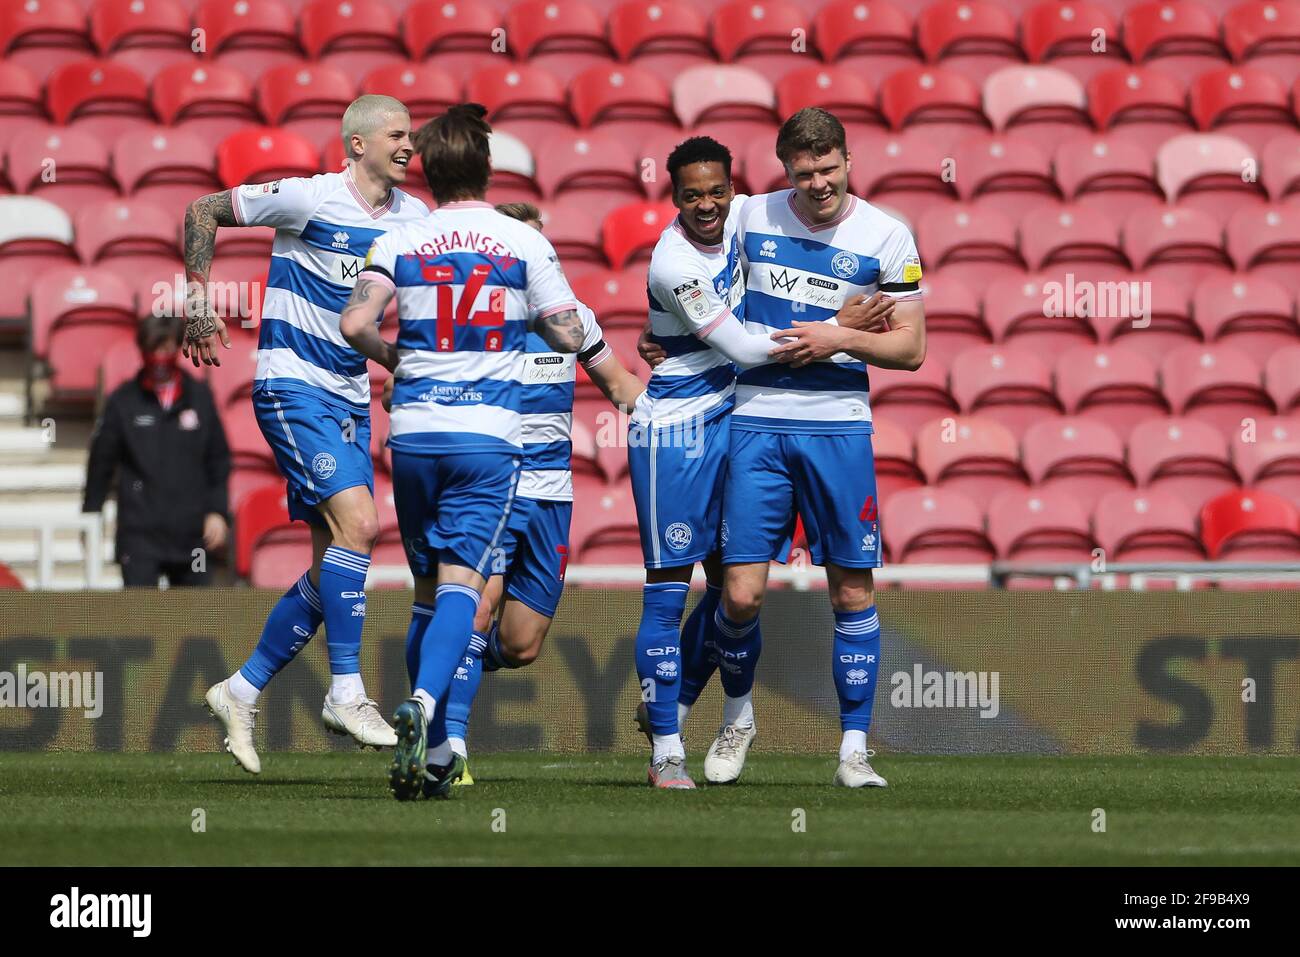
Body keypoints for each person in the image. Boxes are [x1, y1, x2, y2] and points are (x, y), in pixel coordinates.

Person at [632, 136, 897, 789]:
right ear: (672, 196)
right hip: (679, 432)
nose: (706, 205)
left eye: (715, 191)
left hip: (737, 418)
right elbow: (746, 349)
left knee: (732, 590)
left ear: (732, 188)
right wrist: (838, 325)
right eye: (691, 194)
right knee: (674, 589)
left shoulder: (747, 219)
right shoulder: (674, 263)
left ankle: (719, 712)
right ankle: (668, 749)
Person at [339, 103, 587, 801]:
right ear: (485, 166)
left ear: (426, 166)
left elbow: (355, 321)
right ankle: (423, 705)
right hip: (488, 438)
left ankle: (441, 752)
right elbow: (569, 334)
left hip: (414, 435)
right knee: (462, 586)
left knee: (426, 592)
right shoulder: (521, 242)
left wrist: (401, 359)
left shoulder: (401, 236)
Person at [184, 95, 429, 774]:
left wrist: (396, 364)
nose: (411, 146)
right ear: (356, 144)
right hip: (291, 385)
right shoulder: (306, 198)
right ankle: (346, 692)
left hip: (350, 399)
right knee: (362, 523)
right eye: (398, 135)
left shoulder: (416, 219)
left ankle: (241, 688)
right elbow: (201, 209)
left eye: (412, 136)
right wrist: (199, 300)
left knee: (335, 568)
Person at [724, 107, 927, 788]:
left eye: (828, 168)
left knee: (850, 587)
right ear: (786, 170)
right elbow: (697, 284)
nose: (817, 183)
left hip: (839, 426)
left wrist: (837, 338)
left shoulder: (888, 236)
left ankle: (853, 750)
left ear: (848, 159)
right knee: (742, 594)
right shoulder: (749, 216)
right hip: (754, 421)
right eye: (804, 172)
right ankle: (738, 717)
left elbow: (911, 346)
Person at [434, 202, 646, 785]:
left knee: (522, 643)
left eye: (540, 249)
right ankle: (450, 749)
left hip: (553, 495)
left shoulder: (572, 318)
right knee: (478, 611)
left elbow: (620, 386)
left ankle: (444, 663)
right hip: (490, 487)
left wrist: (674, 419)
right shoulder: (471, 317)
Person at [82, 314, 230, 588]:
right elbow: (101, 462)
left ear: (177, 348)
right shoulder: (123, 401)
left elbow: (218, 460)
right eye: (153, 348)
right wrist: (91, 514)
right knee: (138, 625)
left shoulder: (199, 396)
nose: (159, 356)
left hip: (193, 533)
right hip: (139, 534)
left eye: (166, 348)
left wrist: (218, 512)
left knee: (195, 626)